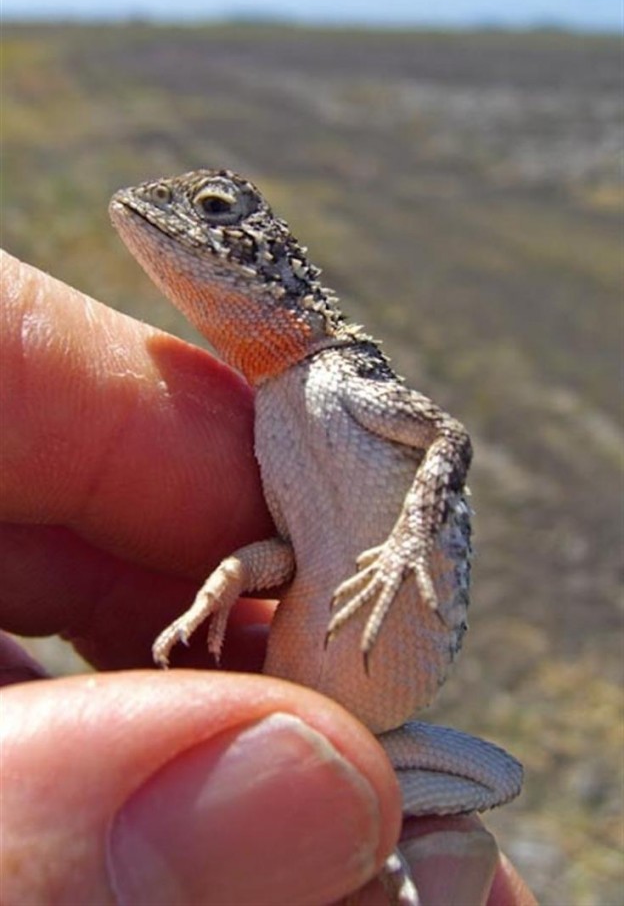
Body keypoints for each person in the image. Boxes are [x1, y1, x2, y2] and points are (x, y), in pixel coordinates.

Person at [0, 250, 536, 905]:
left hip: (382, 703)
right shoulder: (277, 407)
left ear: (285, 270)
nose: (187, 227)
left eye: (217, 210)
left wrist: (406, 543)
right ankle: (351, 820)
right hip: (305, 683)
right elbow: (296, 552)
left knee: (498, 774)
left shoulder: (344, 377)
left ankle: (364, 808)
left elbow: (447, 437)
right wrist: (229, 577)